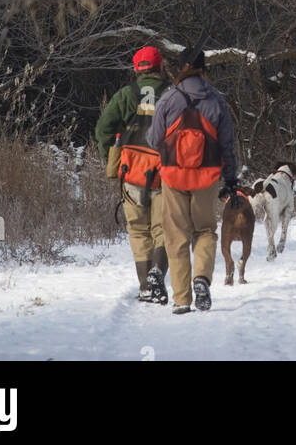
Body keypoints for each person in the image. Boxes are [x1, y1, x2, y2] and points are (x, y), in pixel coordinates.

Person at [148, 46, 238, 314]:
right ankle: (202, 277)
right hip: (207, 177)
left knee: (176, 235)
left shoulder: (167, 99)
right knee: (205, 230)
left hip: (173, 176)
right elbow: (227, 145)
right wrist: (230, 179)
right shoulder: (217, 101)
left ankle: (182, 299)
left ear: (182, 67)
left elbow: (154, 140)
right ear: (203, 68)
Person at [95, 45, 170, 303]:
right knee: (163, 230)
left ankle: (145, 286)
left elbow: (103, 128)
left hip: (132, 172)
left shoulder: (126, 94)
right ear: (160, 67)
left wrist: (111, 158)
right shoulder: (172, 94)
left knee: (138, 231)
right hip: (164, 173)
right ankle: (157, 277)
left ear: (136, 70)